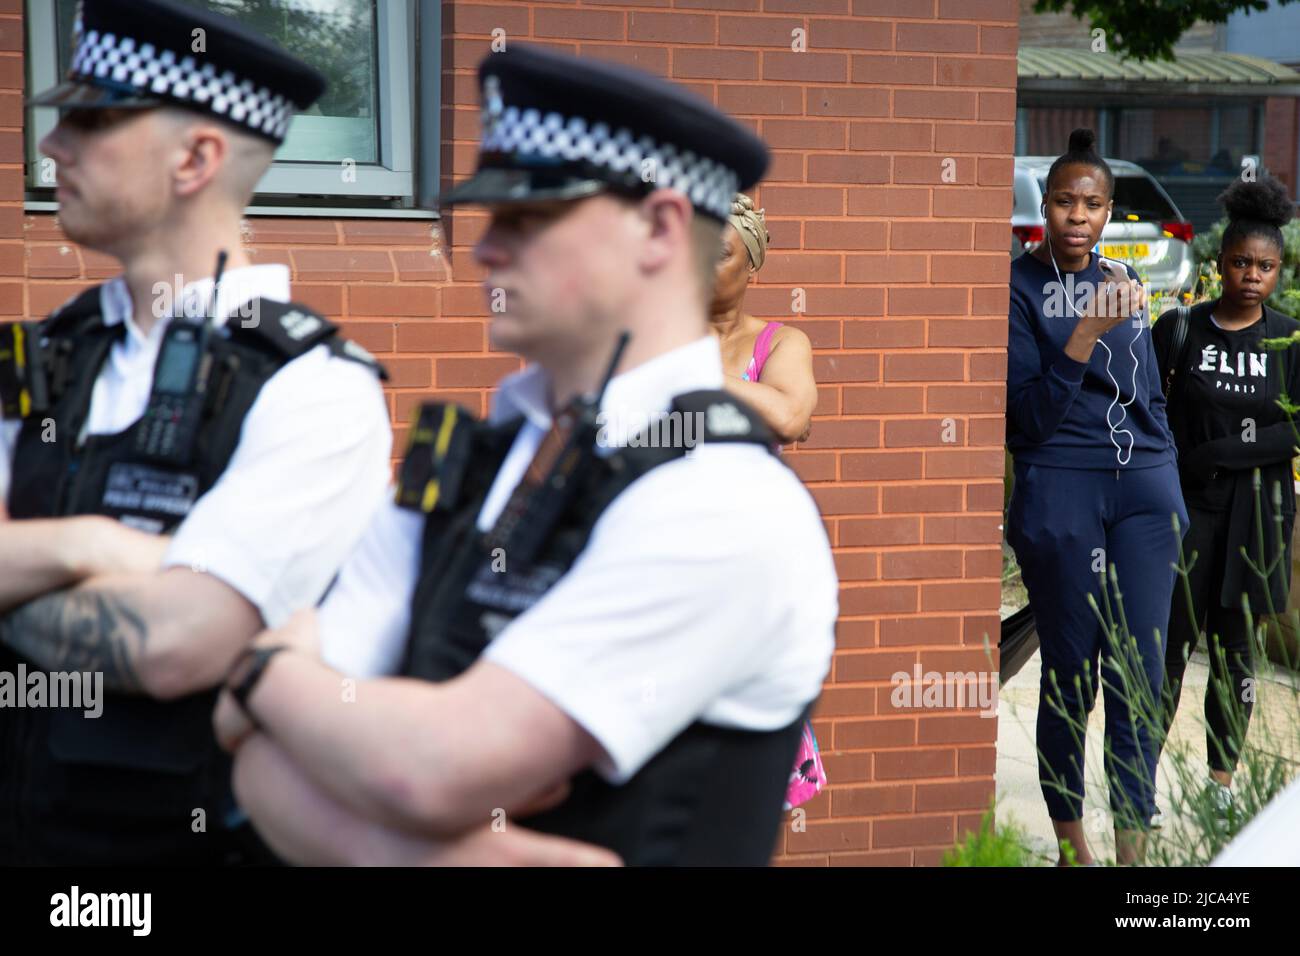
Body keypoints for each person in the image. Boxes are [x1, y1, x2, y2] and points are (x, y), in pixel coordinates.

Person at [212, 42, 839, 867]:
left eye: (528, 217)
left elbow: (426, 771)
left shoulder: (722, 499)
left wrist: (271, 682)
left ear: (659, 227)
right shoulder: (485, 454)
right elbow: (247, 740)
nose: (482, 249)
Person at [0, 0, 400, 865]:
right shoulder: (48, 354)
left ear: (196, 157)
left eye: (91, 118)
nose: (53, 145)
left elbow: (176, 646)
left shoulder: (312, 387)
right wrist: (92, 543)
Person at [1005, 128, 1186, 865]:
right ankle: (1075, 851)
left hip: (1145, 489)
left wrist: (1164, 471)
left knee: (1141, 675)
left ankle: (1133, 861)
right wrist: (1083, 333)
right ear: (1044, 207)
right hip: (1062, 488)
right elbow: (1025, 421)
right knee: (1073, 676)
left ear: (1107, 211)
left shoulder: (1123, 281)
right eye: (1064, 202)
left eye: (1093, 204)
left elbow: (1144, 396)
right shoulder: (1016, 289)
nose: (1078, 215)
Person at [1154, 174, 1299, 821]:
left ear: (1279, 271)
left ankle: (1221, 785)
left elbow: (1295, 428)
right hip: (1186, 519)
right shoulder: (1182, 329)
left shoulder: (1291, 342)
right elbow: (1148, 412)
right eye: (1241, 262)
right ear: (1220, 264)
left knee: (1236, 659)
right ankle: (1140, 782)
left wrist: (1220, 452)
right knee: (1165, 651)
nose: (1251, 275)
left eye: (1265, 266)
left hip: (1258, 522)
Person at [711, 193, 816, 444]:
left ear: (751, 263)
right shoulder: (663, 335)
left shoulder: (780, 342)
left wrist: (687, 374)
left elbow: (788, 419)